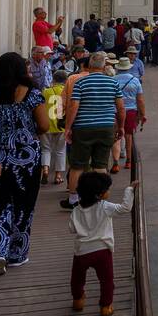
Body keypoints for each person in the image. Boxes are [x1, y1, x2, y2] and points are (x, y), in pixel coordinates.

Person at [0, 52, 49, 275]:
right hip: (26, 159)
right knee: (23, 205)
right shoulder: (32, 95)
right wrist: (28, 133)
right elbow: (44, 125)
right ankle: (17, 254)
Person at [62, 51, 124, 210]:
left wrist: (68, 128)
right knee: (101, 164)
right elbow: (121, 108)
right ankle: (102, 196)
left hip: (83, 128)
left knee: (77, 165)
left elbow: (73, 107)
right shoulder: (113, 83)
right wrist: (121, 126)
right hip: (106, 127)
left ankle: (73, 199)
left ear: (89, 66)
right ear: (104, 66)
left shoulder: (81, 83)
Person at [69, 170, 135, 316]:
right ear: (98, 195)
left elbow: (72, 229)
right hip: (102, 251)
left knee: (77, 279)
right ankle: (105, 307)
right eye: (107, 190)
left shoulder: (76, 211)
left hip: (81, 252)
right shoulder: (105, 206)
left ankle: (78, 300)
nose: (109, 191)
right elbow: (125, 208)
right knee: (107, 281)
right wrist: (129, 189)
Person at [112, 57, 145, 173]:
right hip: (131, 111)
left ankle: (115, 163)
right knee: (129, 136)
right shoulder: (135, 80)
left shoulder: (113, 80)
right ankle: (129, 161)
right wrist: (142, 114)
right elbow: (140, 100)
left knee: (116, 136)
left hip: (115, 111)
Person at [42, 68, 69, 189]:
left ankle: (46, 169)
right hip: (61, 125)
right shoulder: (66, 91)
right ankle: (58, 175)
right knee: (60, 150)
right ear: (66, 80)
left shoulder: (45, 92)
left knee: (46, 149)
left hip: (47, 125)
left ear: (53, 79)